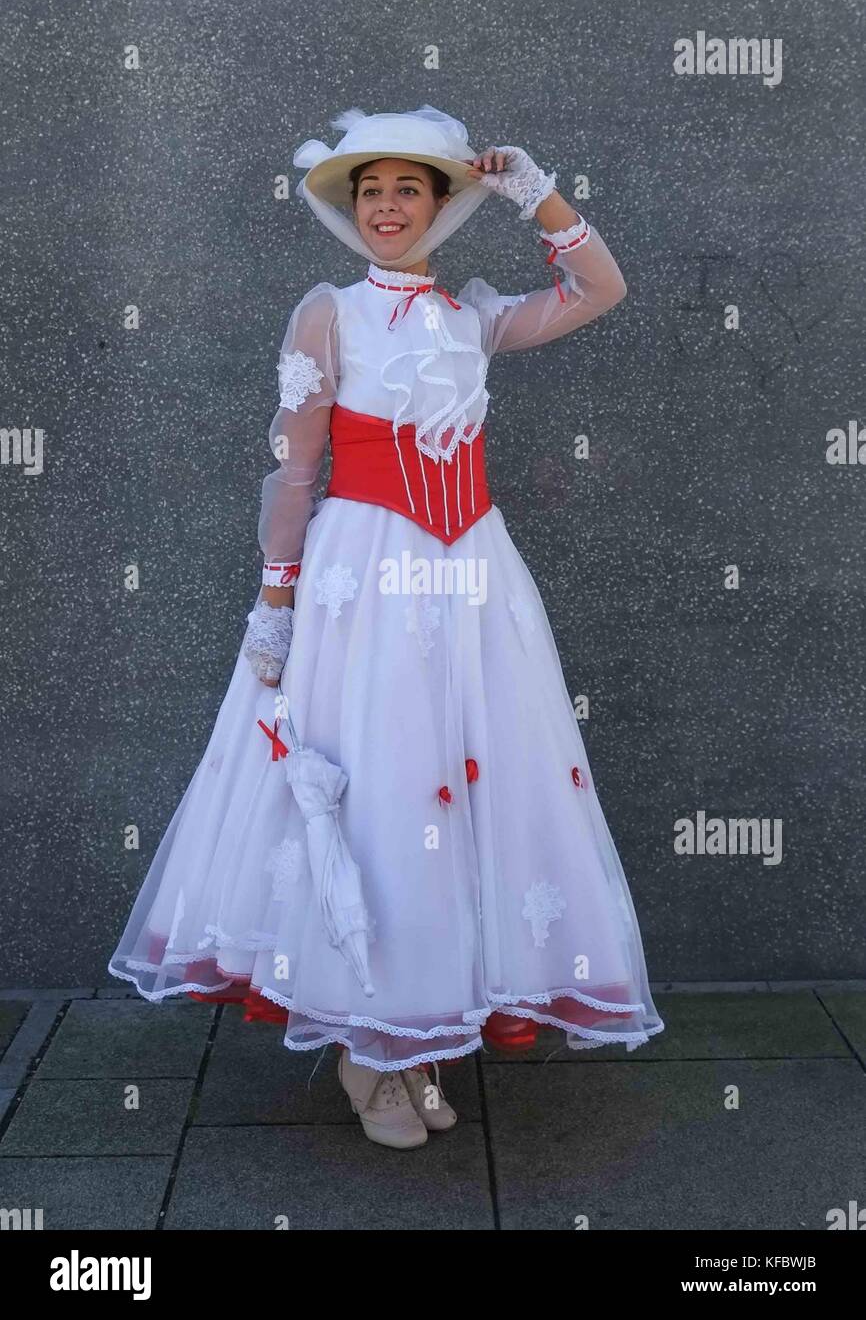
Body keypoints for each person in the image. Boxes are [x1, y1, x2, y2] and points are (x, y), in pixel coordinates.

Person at [108, 105, 664, 1151]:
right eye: (370, 193)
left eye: (408, 190)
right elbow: (294, 468)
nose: (387, 208)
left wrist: (534, 192)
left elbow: (600, 290)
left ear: (441, 206)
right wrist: (273, 603)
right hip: (365, 580)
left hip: (473, 584)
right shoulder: (328, 313)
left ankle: (419, 1040)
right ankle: (370, 1050)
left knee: (459, 795)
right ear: (350, 210)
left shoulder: (472, 317)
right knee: (381, 784)